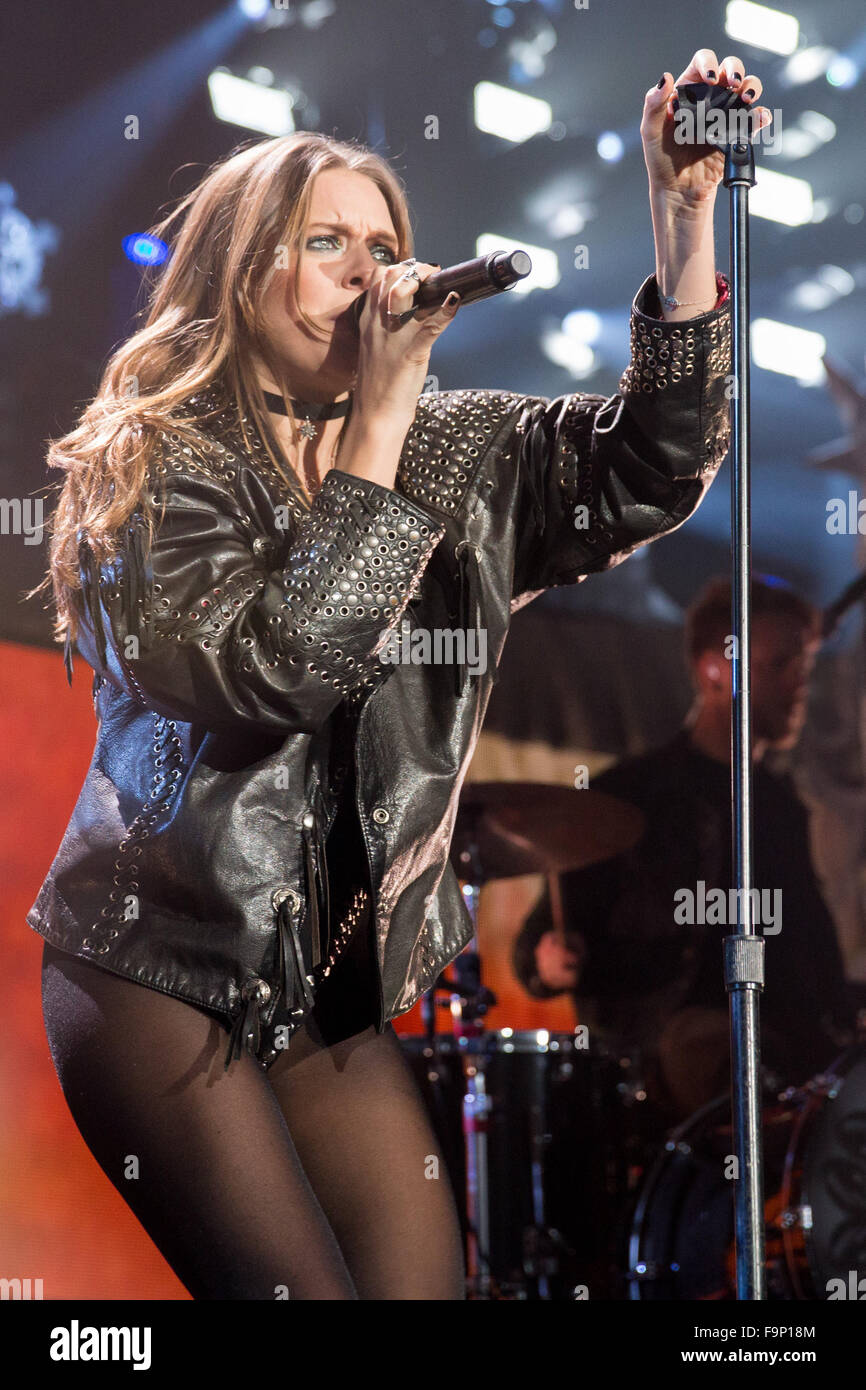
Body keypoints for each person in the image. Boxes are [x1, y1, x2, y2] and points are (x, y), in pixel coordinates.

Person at [27, 47, 748, 1299]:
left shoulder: (456, 444)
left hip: (330, 979)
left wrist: (679, 220)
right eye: (325, 245)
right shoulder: (156, 460)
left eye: (383, 241)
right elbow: (280, 669)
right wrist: (378, 422)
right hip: (157, 962)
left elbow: (650, 466)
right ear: (240, 272)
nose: (371, 274)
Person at [513, 577, 857, 1122]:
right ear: (714, 669)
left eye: (803, 668)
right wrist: (547, 964)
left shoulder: (782, 806)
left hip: (778, 1066)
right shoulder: (625, 797)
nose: (798, 685)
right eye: (779, 666)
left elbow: (811, 956)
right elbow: (543, 941)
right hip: (658, 1079)